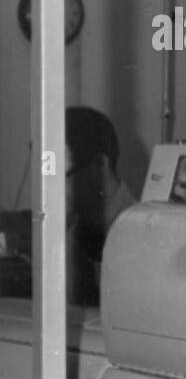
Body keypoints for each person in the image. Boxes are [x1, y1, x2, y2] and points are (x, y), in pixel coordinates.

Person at [66, 106, 136, 307]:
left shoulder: (142, 240)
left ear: (100, 165)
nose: (49, 191)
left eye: (62, 177)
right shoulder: (71, 233)